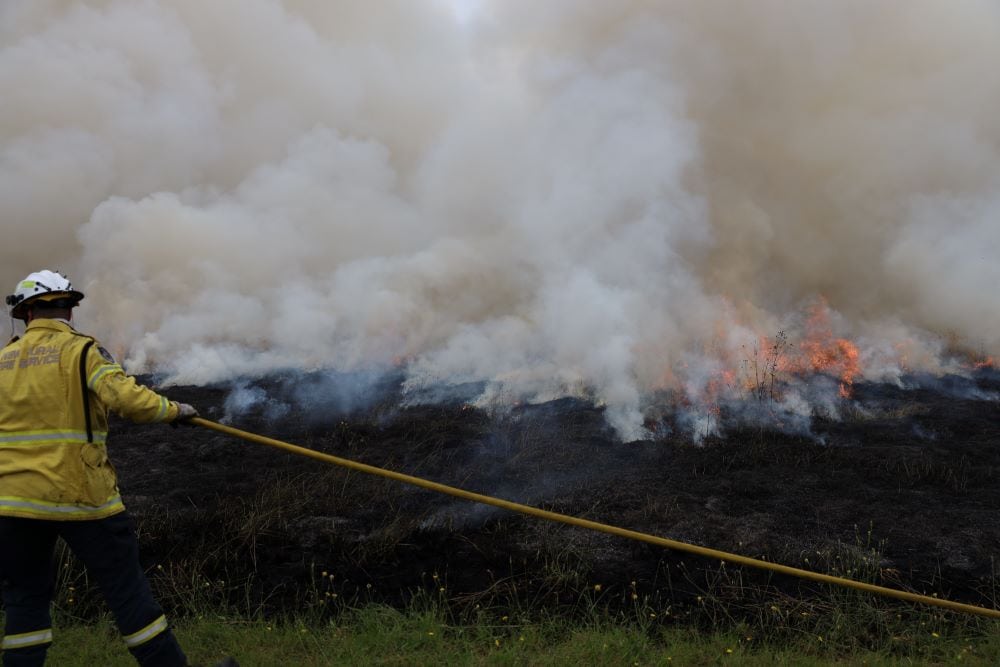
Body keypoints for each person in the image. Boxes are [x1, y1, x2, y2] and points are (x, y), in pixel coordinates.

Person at [0, 270, 203, 666]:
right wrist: (175, 411)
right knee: (127, 593)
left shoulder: (3, 361)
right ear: (69, 311)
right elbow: (125, 398)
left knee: (24, 605)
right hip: (82, 497)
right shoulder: (82, 351)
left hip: (13, 503)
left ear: (25, 314)